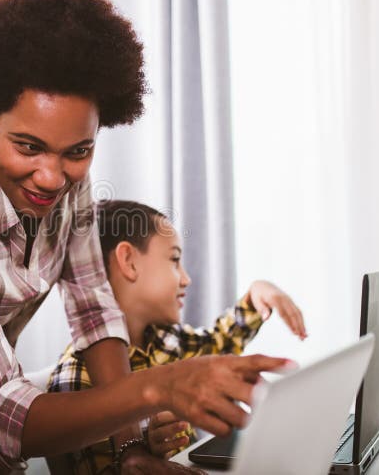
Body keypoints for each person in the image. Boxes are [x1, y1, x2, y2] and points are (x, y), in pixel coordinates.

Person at [0, 0, 293, 474]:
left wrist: (130, 450)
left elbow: (94, 311)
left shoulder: (64, 184)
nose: (52, 177)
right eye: (28, 146)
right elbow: (2, 413)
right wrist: (158, 388)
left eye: (78, 151)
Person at [47, 200, 308, 473]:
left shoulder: (169, 341)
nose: (186, 279)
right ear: (128, 261)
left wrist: (256, 295)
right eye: (174, 260)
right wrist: (147, 450)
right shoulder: (76, 378)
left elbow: (220, 343)